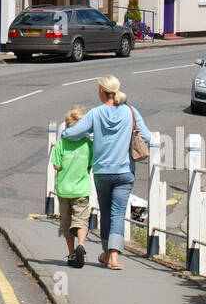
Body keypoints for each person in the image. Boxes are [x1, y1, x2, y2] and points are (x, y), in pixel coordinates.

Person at [63, 74, 151, 270]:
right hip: (125, 171)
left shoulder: (96, 113)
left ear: (102, 92)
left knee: (105, 212)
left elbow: (75, 132)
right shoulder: (131, 112)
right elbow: (147, 136)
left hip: (102, 172)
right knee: (118, 212)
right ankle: (113, 257)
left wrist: (66, 133)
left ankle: (106, 251)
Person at [51, 105, 92, 267]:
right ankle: (81, 245)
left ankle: (71, 254)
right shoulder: (88, 144)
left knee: (66, 223)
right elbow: (90, 165)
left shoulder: (61, 143)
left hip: (64, 189)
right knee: (81, 220)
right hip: (81, 189)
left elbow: (56, 166)